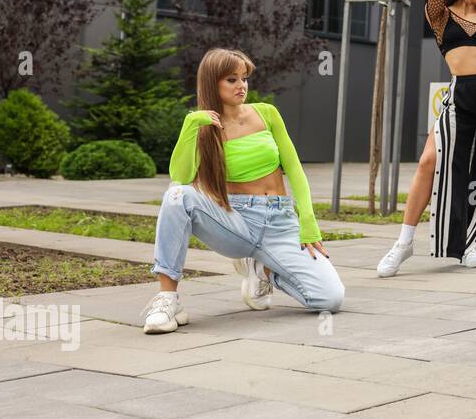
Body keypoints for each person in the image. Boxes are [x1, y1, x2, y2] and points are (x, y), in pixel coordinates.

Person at [141, 48, 344, 334]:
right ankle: (167, 299)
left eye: (244, 78)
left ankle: (264, 269)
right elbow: (181, 176)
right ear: (213, 83)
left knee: (330, 298)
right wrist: (189, 126)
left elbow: (295, 169)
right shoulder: (204, 126)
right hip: (236, 221)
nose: (242, 86)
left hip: (280, 221)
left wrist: (308, 221)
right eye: (231, 80)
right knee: (176, 195)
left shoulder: (266, 113)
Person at [376, 0, 476, 276]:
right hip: (462, 94)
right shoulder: (441, 16)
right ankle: (404, 242)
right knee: (429, 161)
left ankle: (467, 244)